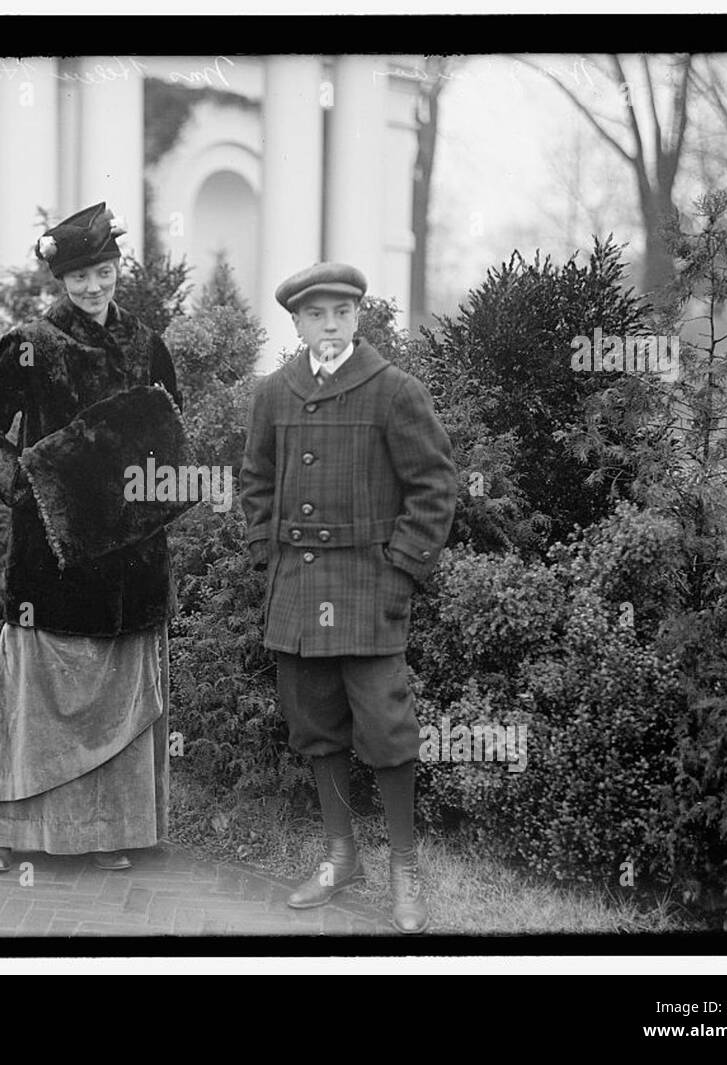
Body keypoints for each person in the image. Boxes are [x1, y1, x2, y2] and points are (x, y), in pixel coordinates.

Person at [0, 202, 179, 874]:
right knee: (36, 701)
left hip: (128, 563)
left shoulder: (145, 344)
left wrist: (152, 495)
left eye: (104, 271)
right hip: (49, 563)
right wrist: (29, 491)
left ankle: (109, 832)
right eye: (80, 275)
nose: (93, 286)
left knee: (116, 695)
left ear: (118, 269)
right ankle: (10, 832)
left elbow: (169, 437)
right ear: (61, 279)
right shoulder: (30, 341)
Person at [240, 262, 457, 933]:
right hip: (299, 590)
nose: (329, 324)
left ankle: (405, 866)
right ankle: (341, 855)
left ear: (359, 316)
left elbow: (434, 487)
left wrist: (400, 573)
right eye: (315, 314)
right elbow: (255, 481)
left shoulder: (395, 391)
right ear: (297, 324)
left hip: (369, 586)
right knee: (314, 723)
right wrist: (265, 559)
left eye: (341, 311)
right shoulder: (275, 392)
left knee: (387, 729)